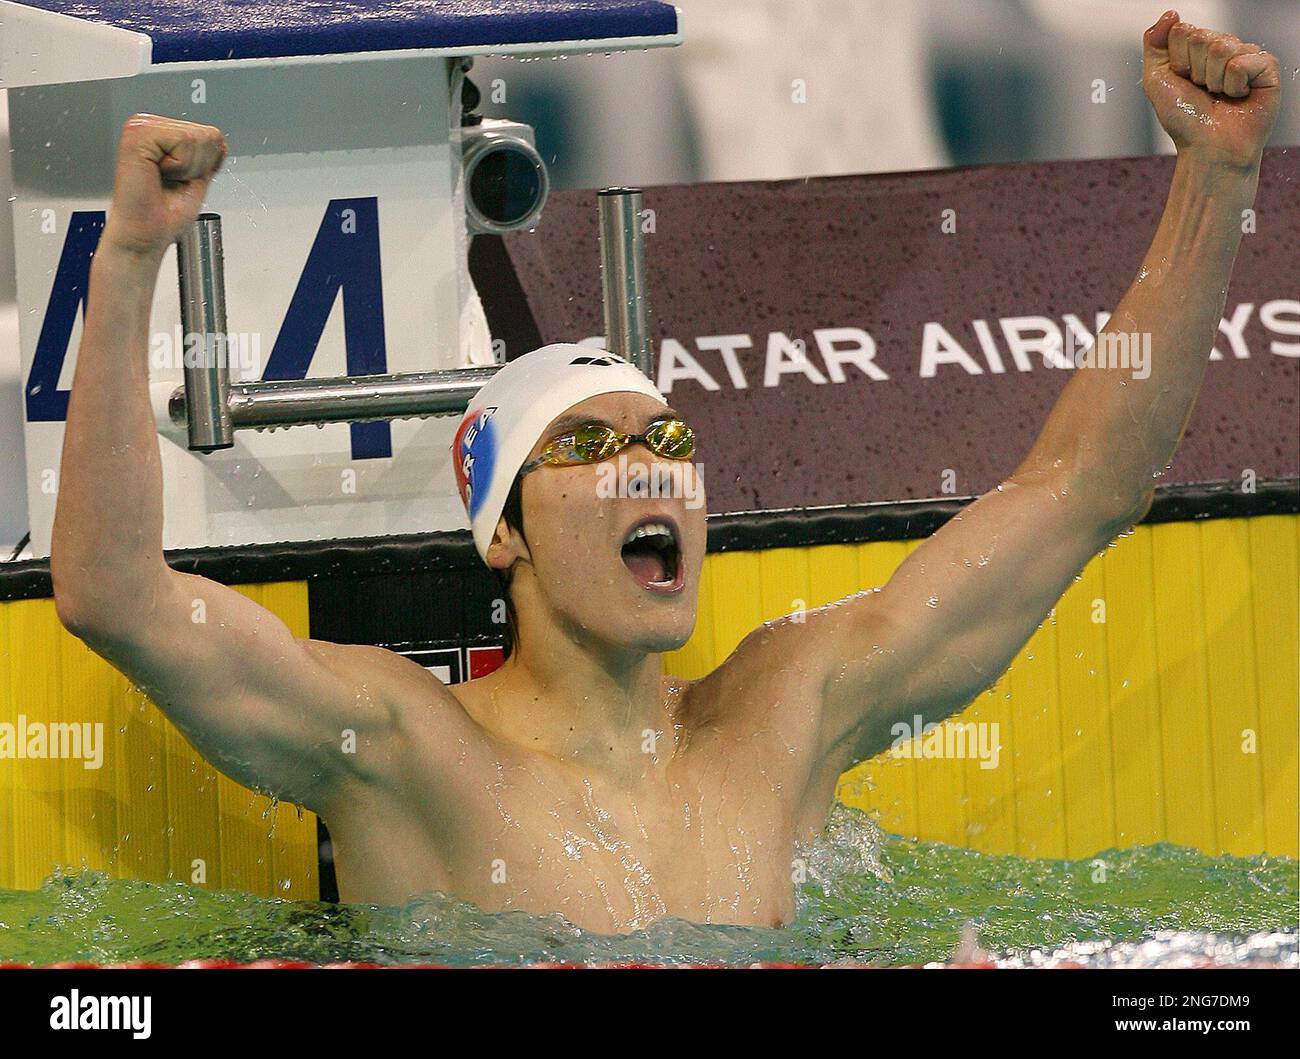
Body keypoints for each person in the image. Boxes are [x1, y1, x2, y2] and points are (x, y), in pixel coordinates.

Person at [51, 12, 1280, 933]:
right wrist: (129, 257)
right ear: (505, 535)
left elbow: (1079, 490)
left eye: (668, 442)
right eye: (589, 447)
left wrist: (1213, 179)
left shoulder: (784, 712)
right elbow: (113, 593)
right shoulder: (404, 744)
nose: (649, 465)